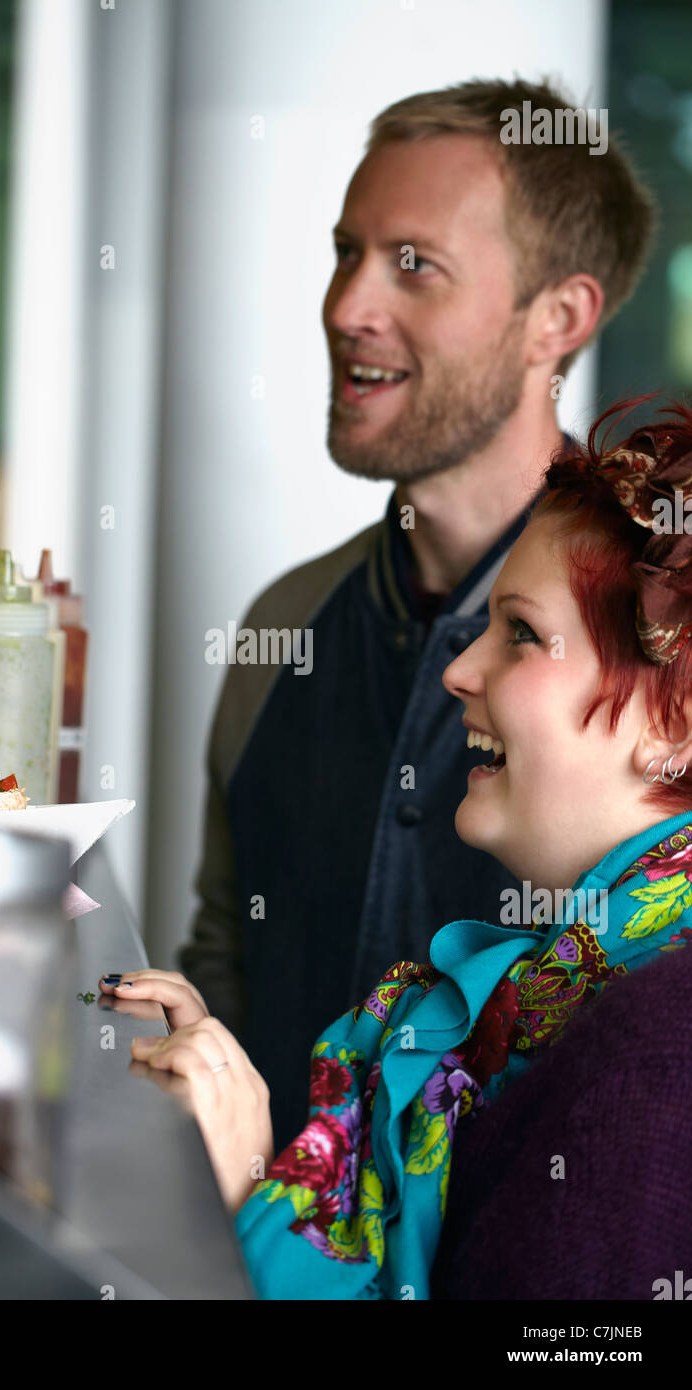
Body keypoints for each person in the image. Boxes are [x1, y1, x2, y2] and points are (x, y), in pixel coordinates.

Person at [102, 397, 692, 1299]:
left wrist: (250, 1192)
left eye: (523, 634)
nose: (460, 668)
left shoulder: (659, 1055)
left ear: (673, 722)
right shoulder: (571, 985)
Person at [175, 76, 657, 1151]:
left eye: (412, 267)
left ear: (558, 318)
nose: (347, 305)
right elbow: (228, 957)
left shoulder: (653, 660)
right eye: (346, 252)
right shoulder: (282, 625)